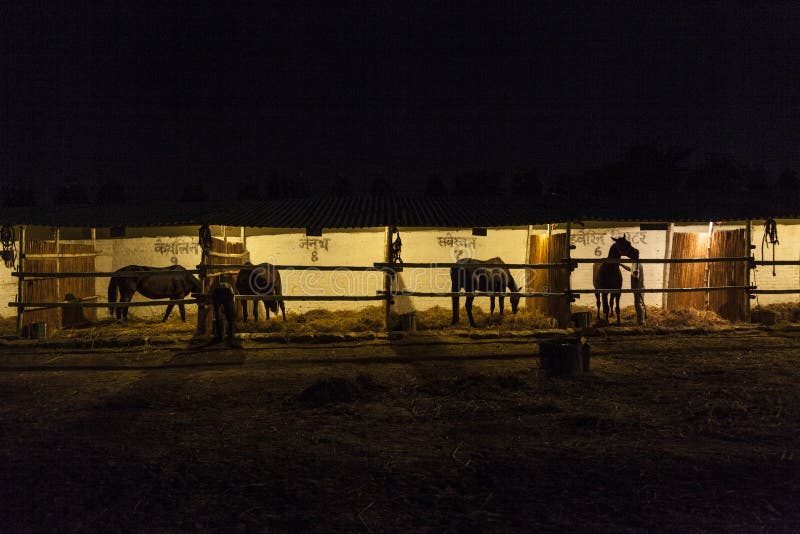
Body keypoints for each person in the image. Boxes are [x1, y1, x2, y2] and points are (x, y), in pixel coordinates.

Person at [630, 248, 646, 326]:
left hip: (638, 287)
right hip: (638, 287)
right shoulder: (635, 263)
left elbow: (636, 274)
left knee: (639, 304)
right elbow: (631, 270)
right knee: (639, 304)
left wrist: (635, 287)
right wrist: (621, 264)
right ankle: (640, 321)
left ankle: (642, 322)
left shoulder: (636, 264)